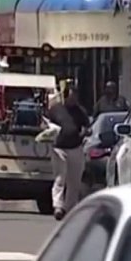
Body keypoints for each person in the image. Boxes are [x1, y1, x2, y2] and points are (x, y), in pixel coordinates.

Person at [45, 85, 91, 220]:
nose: (73, 98)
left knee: (74, 181)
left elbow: (86, 126)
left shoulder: (80, 111)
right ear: (65, 95)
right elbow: (45, 123)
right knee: (60, 178)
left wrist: (85, 132)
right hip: (59, 148)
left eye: (75, 96)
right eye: (71, 95)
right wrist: (48, 130)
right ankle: (58, 206)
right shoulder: (55, 109)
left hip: (75, 148)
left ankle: (69, 208)